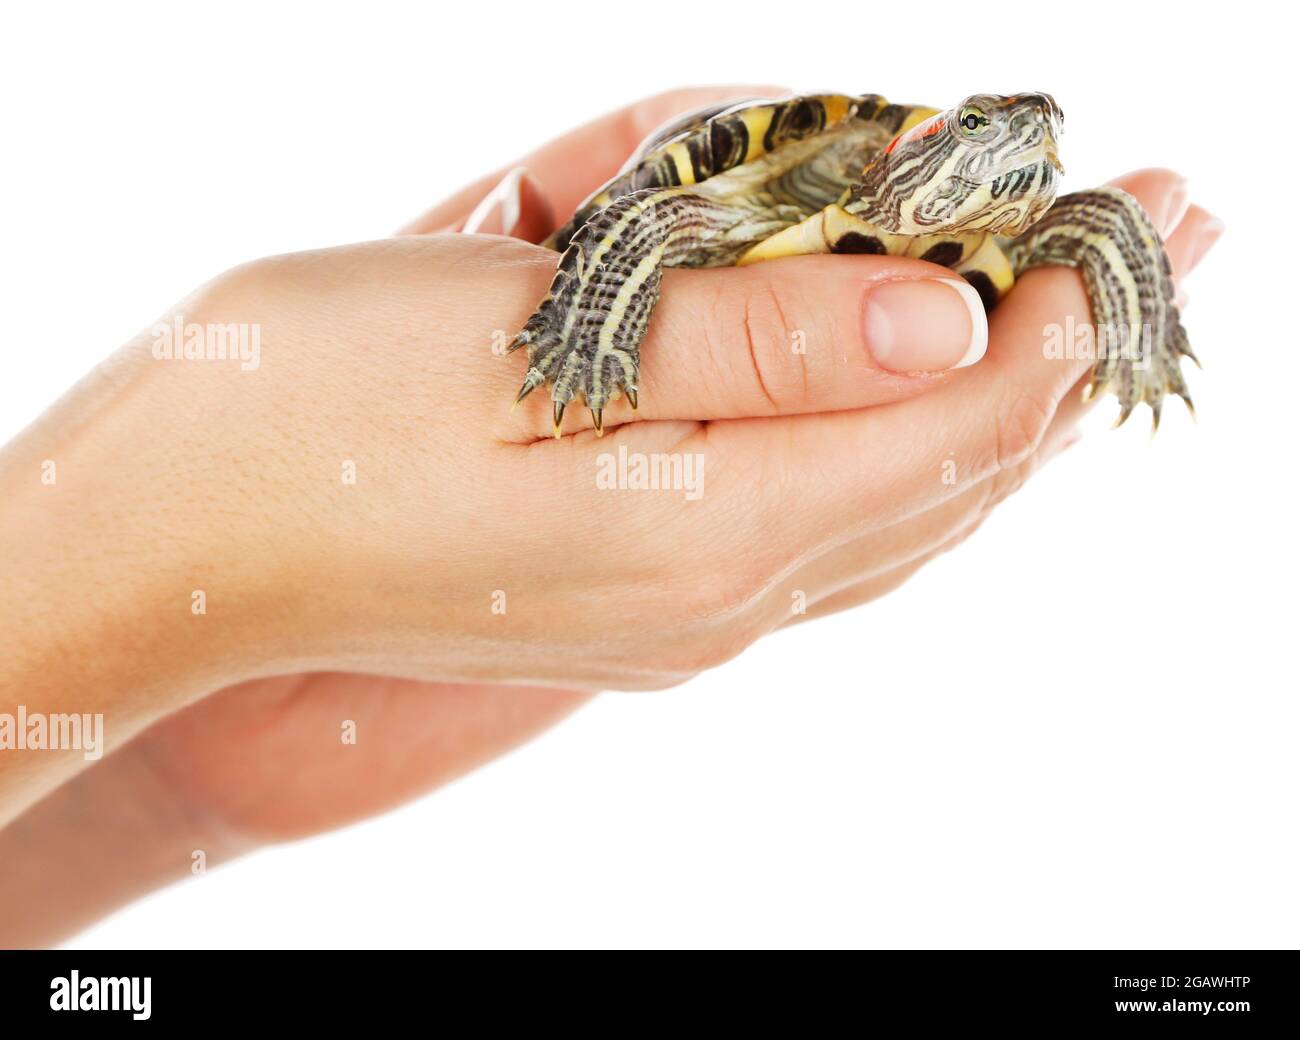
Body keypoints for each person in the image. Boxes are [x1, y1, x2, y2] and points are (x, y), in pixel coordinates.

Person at [0, 87, 1222, 946]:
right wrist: (162, 551)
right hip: (706, 239)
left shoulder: (1027, 214)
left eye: (1032, 138)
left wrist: (177, 769)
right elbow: (650, 216)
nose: (1016, 147)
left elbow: (1108, 225)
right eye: (978, 132)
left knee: (1119, 229)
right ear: (922, 146)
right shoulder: (782, 183)